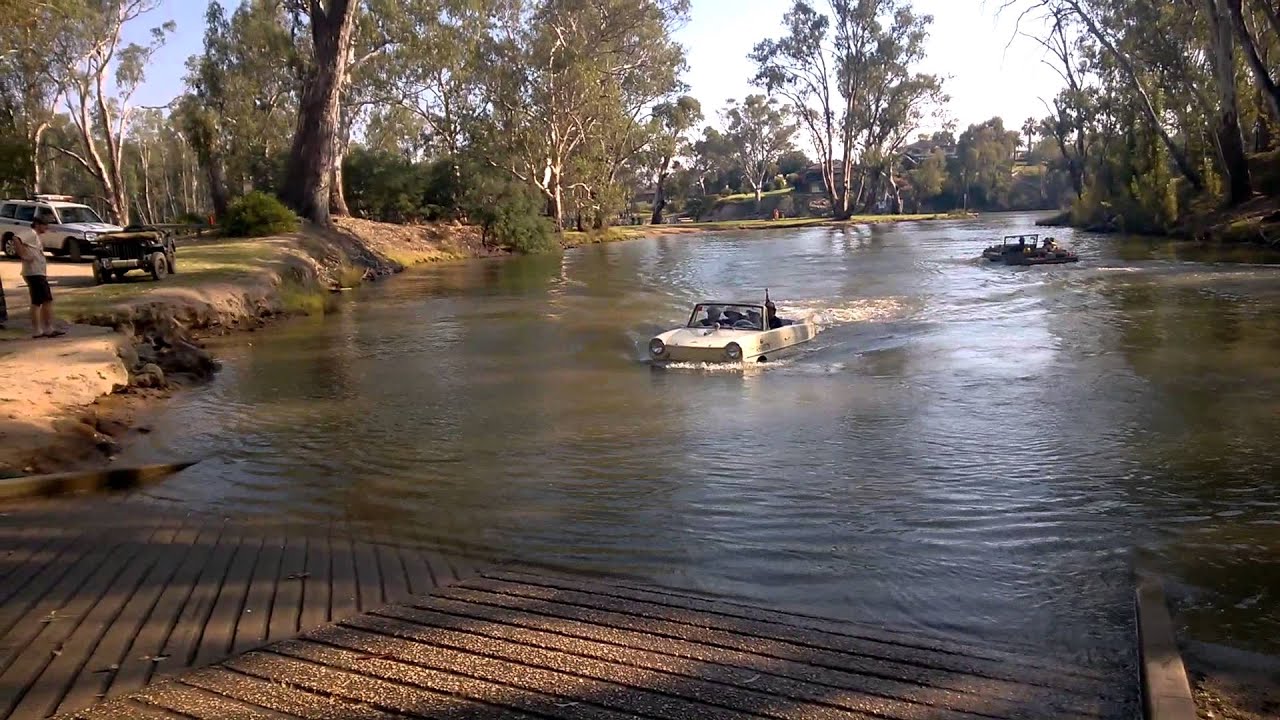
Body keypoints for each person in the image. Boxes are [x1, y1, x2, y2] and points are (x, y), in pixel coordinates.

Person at [13, 217, 63, 339]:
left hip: (37, 272)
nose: (47, 227)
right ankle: (44, 329)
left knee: (41, 301)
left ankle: (43, 329)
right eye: (44, 224)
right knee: (42, 301)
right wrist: (23, 255)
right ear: (37, 224)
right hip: (34, 273)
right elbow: (16, 238)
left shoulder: (35, 236)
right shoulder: (30, 233)